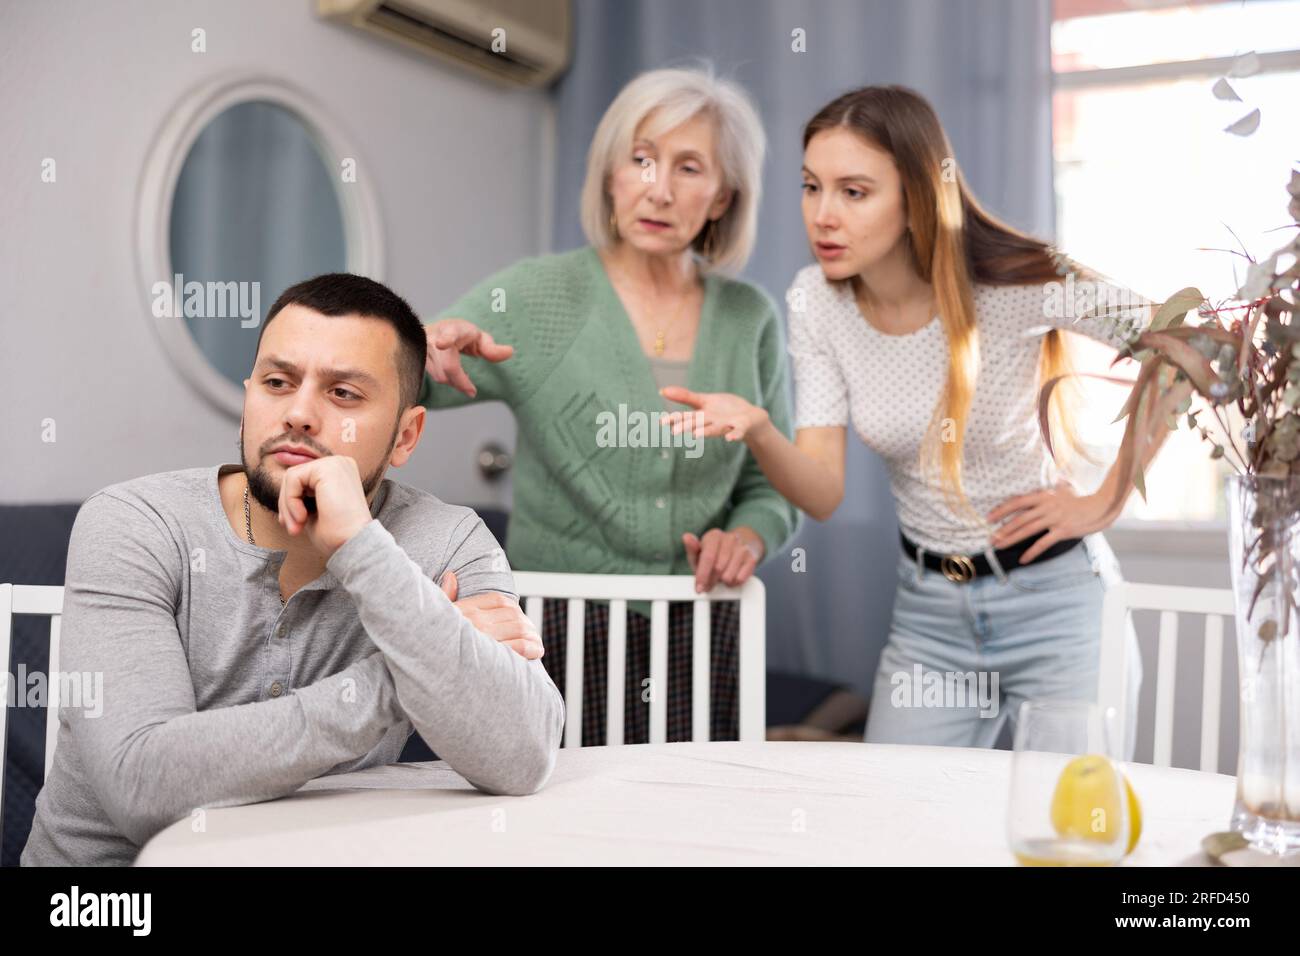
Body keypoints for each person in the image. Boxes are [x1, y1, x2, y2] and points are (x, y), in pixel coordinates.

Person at [662, 86, 1165, 753]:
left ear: (916, 198)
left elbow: (1183, 339)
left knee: (1069, 836)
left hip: (1058, 606)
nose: (823, 215)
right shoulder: (817, 300)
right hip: (931, 618)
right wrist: (759, 427)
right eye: (812, 187)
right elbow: (822, 490)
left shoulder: (1017, 281)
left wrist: (1107, 498)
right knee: (894, 827)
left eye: (854, 191)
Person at [22, 273, 563, 866]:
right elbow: (143, 787)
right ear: (249, 396)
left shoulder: (448, 541)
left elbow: (525, 753)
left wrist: (359, 544)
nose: (300, 413)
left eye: (344, 394)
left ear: (406, 435)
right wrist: (411, 670)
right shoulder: (133, 523)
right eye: (278, 383)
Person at [419, 67, 800, 745]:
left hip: (701, 622)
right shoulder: (537, 296)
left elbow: (771, 485)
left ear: (721, 197)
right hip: (557, 627)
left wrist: (744, 539)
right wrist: (416, 353)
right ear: (610, 175)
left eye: (689, 168)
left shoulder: (750, 320)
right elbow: (406, 390)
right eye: (642, 159)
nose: (659, 188)